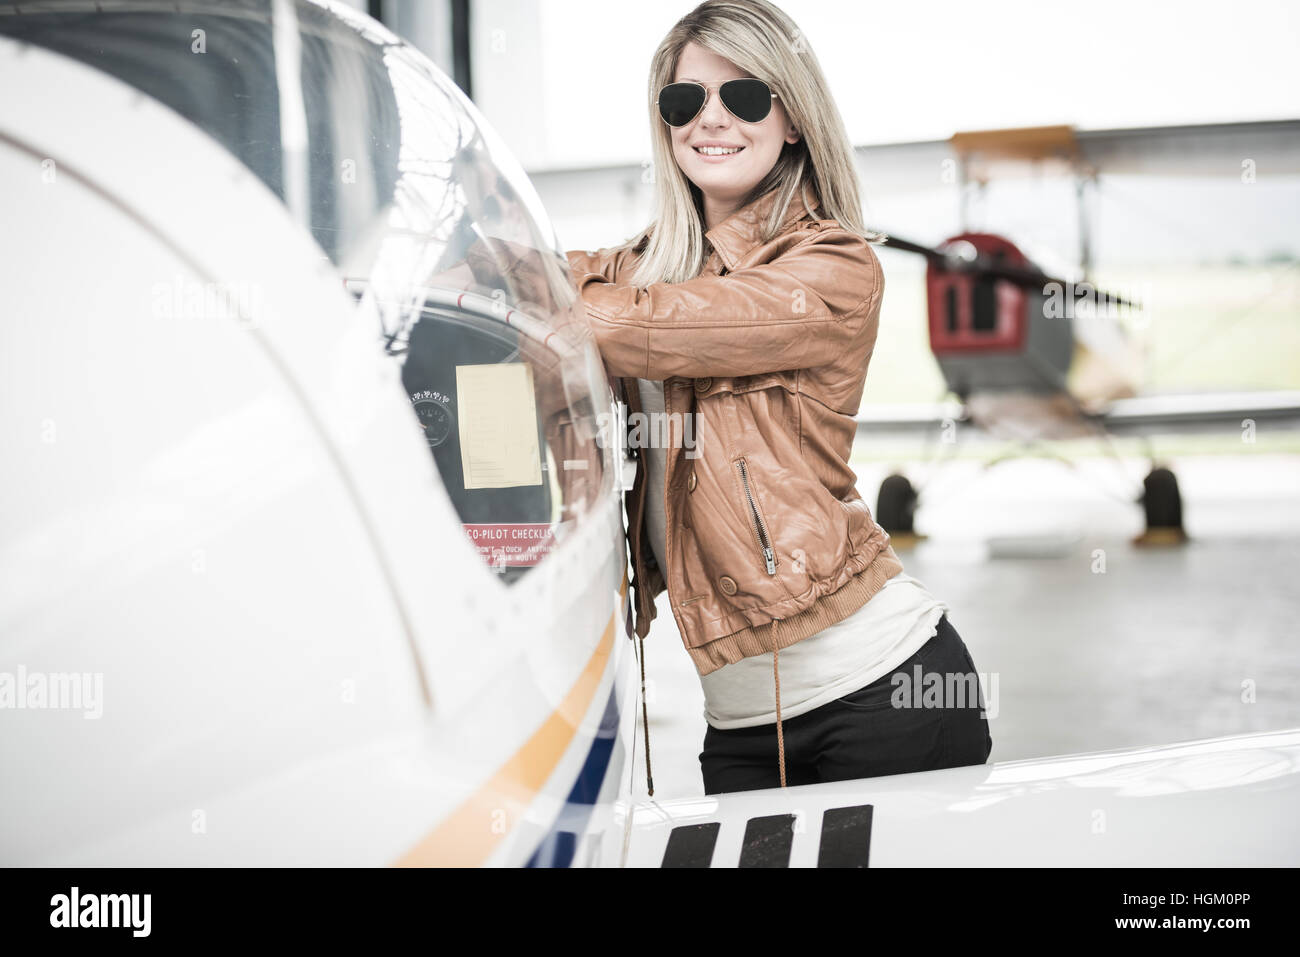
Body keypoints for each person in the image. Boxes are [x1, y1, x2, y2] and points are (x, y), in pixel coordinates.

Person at [565, 0, 992, 794]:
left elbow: (651, 325)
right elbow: (529, 281)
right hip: (739, 723)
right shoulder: (637, 270)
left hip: (886, 693)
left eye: (746, 96)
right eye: (684, 101)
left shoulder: (834, 266)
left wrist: (528, 297)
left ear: (791, 116)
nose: (710, 120)